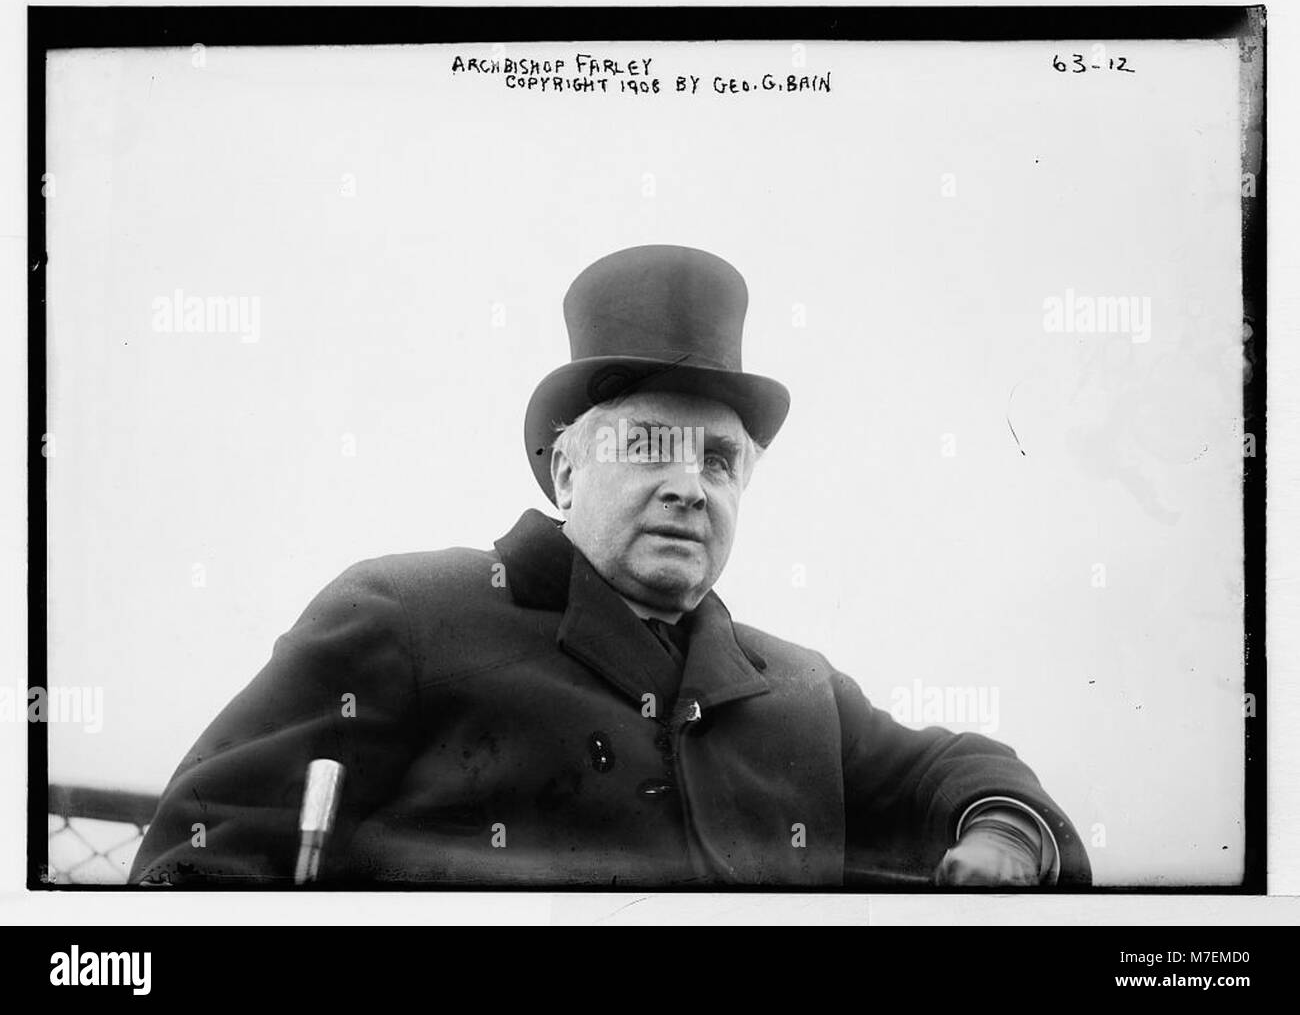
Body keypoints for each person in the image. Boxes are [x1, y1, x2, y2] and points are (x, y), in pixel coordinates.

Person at [130, 244, 1090, 888]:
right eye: (648, 447)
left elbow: (960, 769)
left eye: (719, 459)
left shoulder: (800, 689)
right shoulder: (409, 612)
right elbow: (196, 855)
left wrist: (1004, 827)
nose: (689, 486)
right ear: (565, 466)